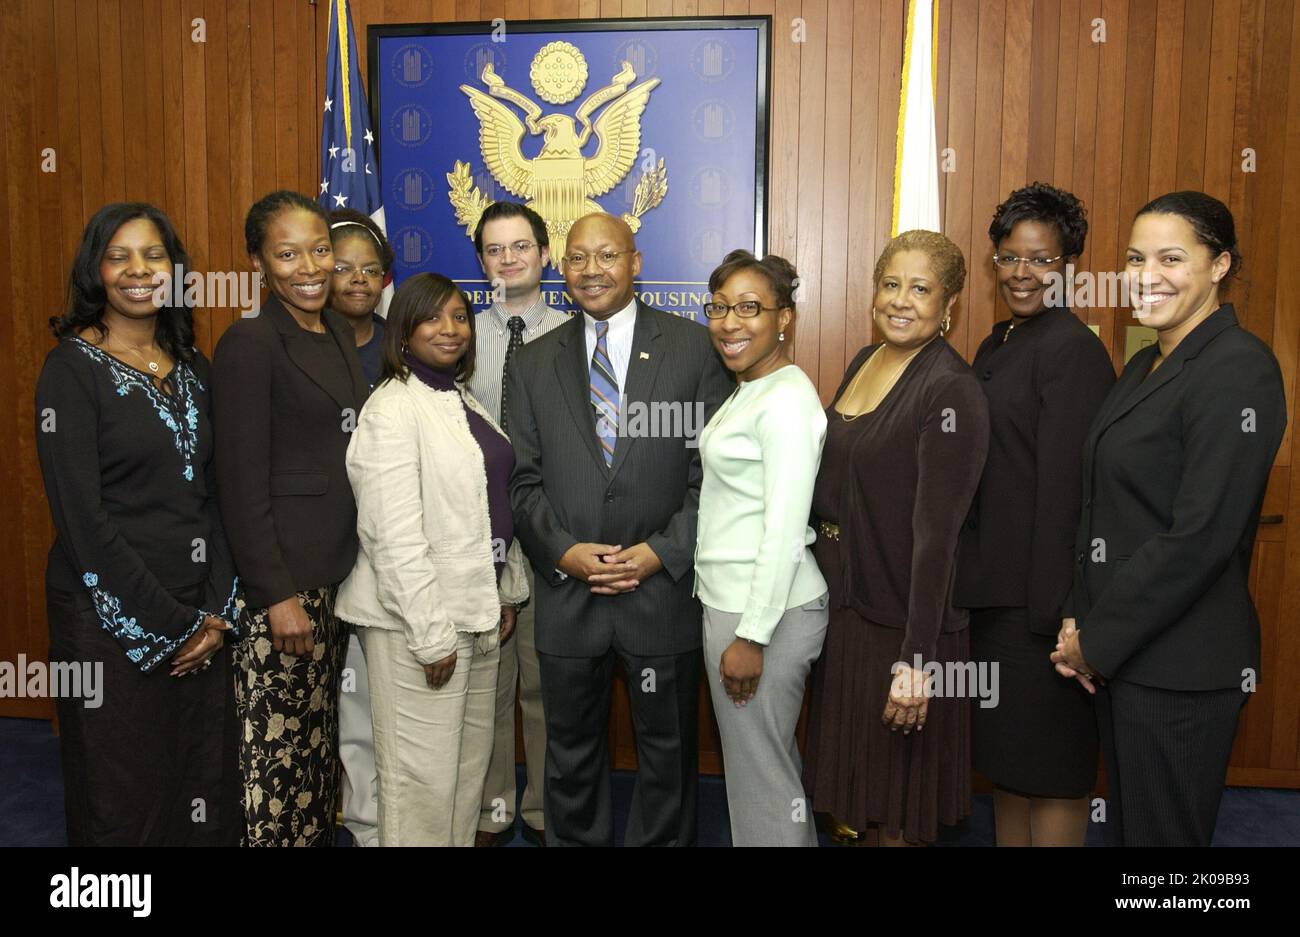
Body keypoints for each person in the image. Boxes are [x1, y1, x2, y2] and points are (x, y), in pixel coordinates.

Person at [1052, 191, 1286, 846]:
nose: (1145, 274)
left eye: (1171, 257)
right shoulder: (1148, 364)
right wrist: (1078, 612)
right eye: (1134, 257)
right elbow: (1102, 504)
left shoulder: (1239, 369)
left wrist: (1094, 641)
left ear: (1219, 266)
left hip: (1183, 668)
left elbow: (1200, 535)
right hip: (1129, 659)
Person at [505, 212, 733, 846]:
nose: (591, 269)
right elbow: (520, 480)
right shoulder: (533, 363)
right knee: (569, 756)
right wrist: (564, 551)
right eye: (577, 258)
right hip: (569, 596)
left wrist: (661, 554)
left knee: (667, 757)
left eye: (607, 256)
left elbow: (710, 477)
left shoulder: (692, 349)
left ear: (635, 262)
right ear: (561, 268)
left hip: (659, 595)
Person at [35, 202, 240, 845]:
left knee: (201, 783)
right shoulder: (70, 371)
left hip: (200, 616)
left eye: (153, 255)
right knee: (121, 797)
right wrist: (171, 623)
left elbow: (216, 496)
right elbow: (82, 522)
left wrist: (215, 613)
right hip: (107, 623)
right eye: (118, 256)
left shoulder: (195, 367)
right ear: (95, 271)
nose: (137, 270)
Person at [802, 230, 989, 846]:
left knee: (896, 812)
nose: (901, 301)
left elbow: (938, 538)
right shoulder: (864, 360)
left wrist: (916, 661)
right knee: (855, 805)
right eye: (890, 285)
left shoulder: (950, 389)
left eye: (920, 288)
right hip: (849, 615)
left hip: (906, 627)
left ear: (949, 306)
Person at [335, 273, 528, 846]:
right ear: (403, 332)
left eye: (460, 317)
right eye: (432, 318)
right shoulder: (391, 410)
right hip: (415, 629)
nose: (450, 329)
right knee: (420, 785)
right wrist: (429, 633)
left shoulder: (457, 398)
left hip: (476, 615)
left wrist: (504, 594)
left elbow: (490, 504)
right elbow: (390, 535)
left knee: (466, 775)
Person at [953, 183, 1115, 846]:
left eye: (1042, 259)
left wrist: (1062, 616)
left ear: (1068, 266)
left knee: (1053, 775)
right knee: (1010, 772)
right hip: (993, 602)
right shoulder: (997, 345)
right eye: (1010, 256)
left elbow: (1069, 494)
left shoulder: (1072, 351)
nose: (1024, 272)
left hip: (1042, 615)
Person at [213, 190, 370, 846]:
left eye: (319, 249)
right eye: (287, 252)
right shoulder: (250, 342)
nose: (309, 266)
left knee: (315, 745)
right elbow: (239, 482)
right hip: (285, 588)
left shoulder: (335, 329)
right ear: (258, 262)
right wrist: (275, 596)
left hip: (335, 576)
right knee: (274, 759)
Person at [695, 250, 828, 846]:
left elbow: (784, 526)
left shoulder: (786, 399)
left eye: (750, 308)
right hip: (736, 602)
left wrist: (751, 635)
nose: (730, 323)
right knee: (760, 773)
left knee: (764, 778)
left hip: (764, 612)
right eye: (720, 307)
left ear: (785, 319)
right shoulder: (752, 387)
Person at [468, 202, 569, 848]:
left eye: (521, 247)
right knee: (487, 688)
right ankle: (493, 808)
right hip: (478, 541)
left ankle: (545, 810)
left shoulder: (574, 334)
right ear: (481, 261)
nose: (508, 259)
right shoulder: (457, 333)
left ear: (545, 254)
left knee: (547, 684)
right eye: (495, 249)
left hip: (552, 539)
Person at [326, 207, 394, 849]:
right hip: (318, 545)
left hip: (389, 545)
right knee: (343, 694)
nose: (355, 279)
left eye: (370, 269)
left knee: (377, 691)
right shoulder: (299, 341)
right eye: (341, 266)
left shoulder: (403, 345)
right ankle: (360, 817)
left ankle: (384, 821)